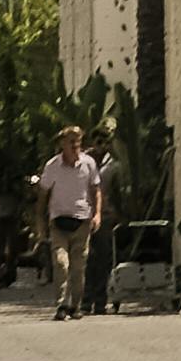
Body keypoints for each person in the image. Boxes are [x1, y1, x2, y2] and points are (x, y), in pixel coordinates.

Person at [39, 126, 105, 317]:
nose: (75, 145)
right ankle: (61, 305)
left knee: (78, 267)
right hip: (59, 221)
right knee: (61, 263)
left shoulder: (88, 163)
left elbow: (96, 189)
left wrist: (97, 214)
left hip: (82, 221)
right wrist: (40, 222)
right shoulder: (52, 166)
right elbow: (43, 195)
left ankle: (75, 305)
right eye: (71, 142)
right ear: (62, 144)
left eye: (78, 141)